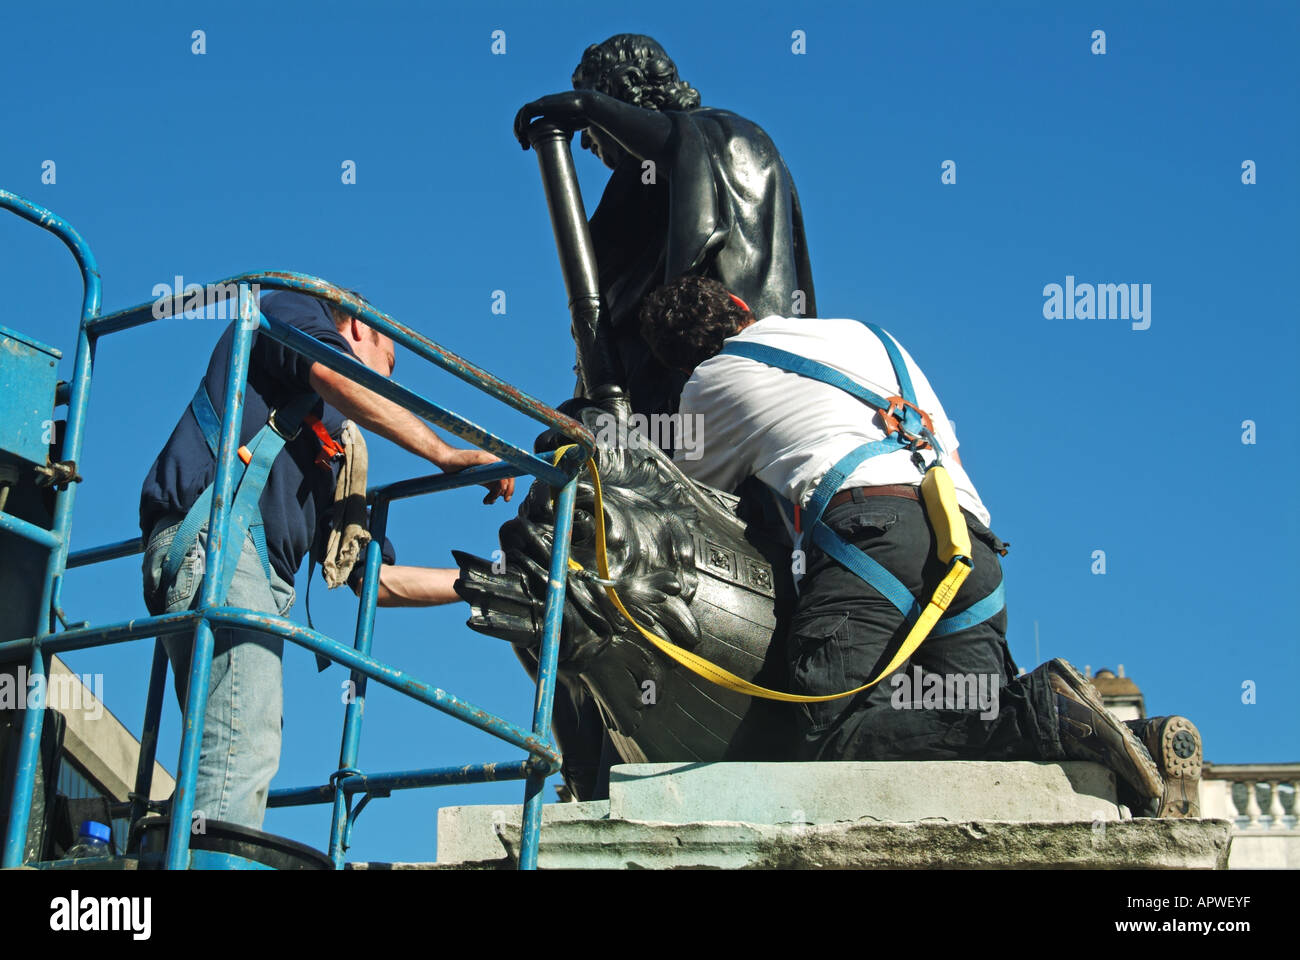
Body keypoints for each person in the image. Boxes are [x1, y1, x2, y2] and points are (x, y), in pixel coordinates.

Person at [638, 275, 1202, 817]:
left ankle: (1046, 715)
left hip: (874, 538)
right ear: (742, 306)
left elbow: (697, 504)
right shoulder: (866, 335)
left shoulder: (711, 380)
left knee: (831, 728)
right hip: (971, 544)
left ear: (682, 361)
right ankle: (1137, 742)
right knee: (979, 740)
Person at [139, 289, 513, 830]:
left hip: (250, 573)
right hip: (216, 545)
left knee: (223, 747)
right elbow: (337, 375)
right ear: (358, 326)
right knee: (242, 748)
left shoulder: (335, 444)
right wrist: (443, 452)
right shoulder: (292, 305)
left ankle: (168, 855)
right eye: (390, 363)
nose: (389, 385)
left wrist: (484, 583)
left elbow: (373, 582)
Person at [514, 33, 817, 419]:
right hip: (675, 393)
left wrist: (590, 107)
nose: (588, 143)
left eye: (590, 127)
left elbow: (678, 146)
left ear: (621, 91)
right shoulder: (650, 181)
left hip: (723, 375)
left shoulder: (721, 135)